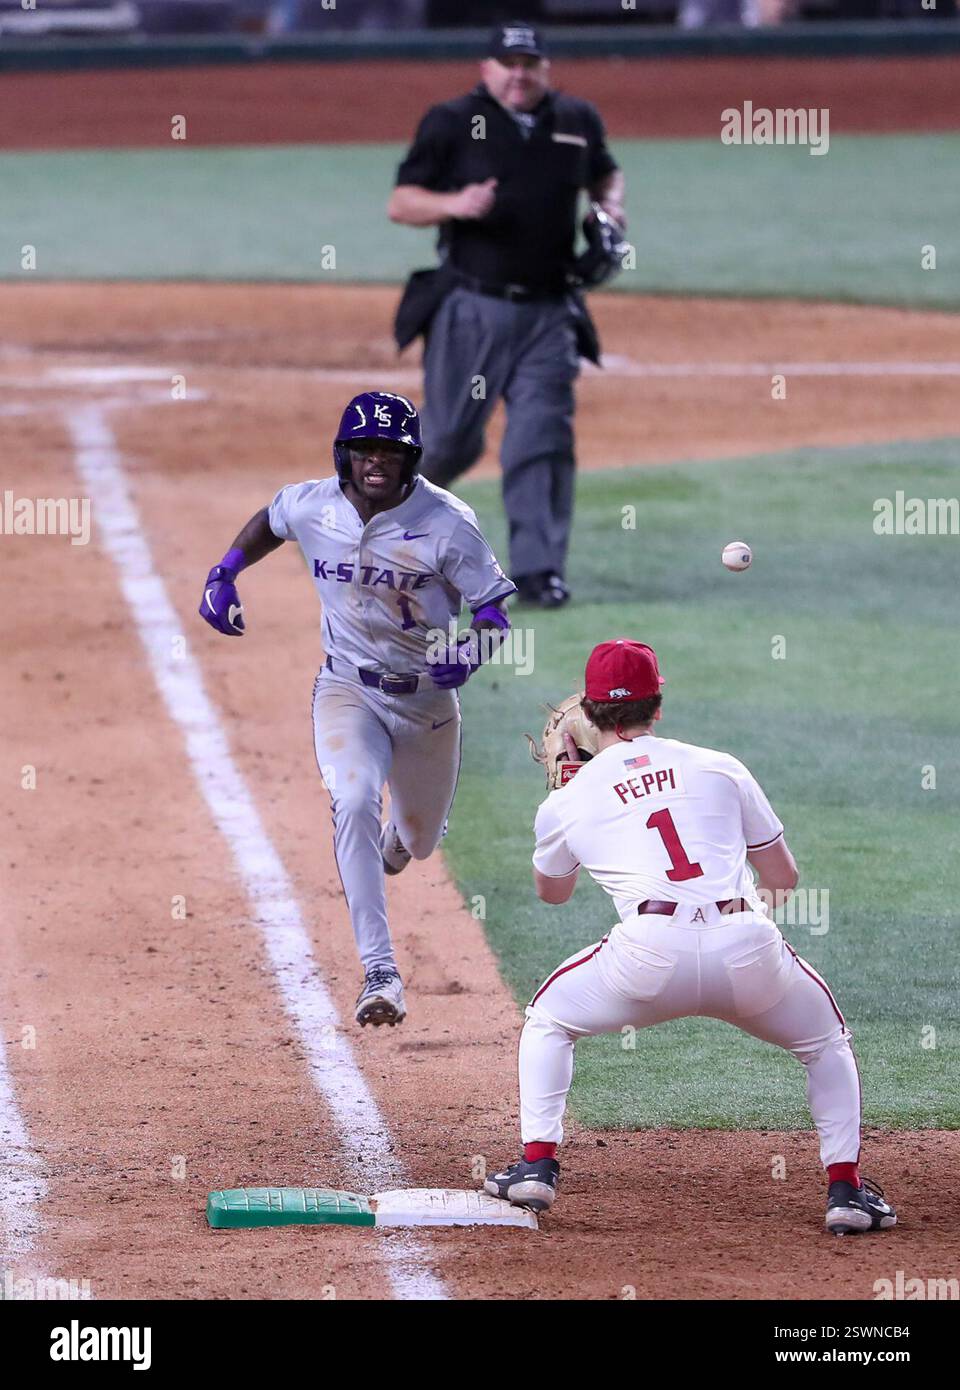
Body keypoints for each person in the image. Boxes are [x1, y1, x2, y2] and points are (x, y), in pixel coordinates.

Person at [485, 638, 898, 1236]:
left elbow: (553, 894)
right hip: (748, 951)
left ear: (591, 712)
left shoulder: (570, 799)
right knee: (826, 1042)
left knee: (550, 1018)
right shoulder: (721, 765)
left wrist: (568, 797)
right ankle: (845, 1194)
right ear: (658, 704)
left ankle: (536, 1168)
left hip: (647, 959)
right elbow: (783, 878)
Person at [198, 391, 515, 1027]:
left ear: (410, 459)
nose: (379, 461)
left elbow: (493, 610)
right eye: (367, 449)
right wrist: (225, 571)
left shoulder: (448, 523)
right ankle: (381, 971)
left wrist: (473, 653)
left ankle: (402, 839)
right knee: (351, 800)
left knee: (421, 843)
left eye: (392, 451)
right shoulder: (313, 503)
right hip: (347, 689)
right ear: (346, 454)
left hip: (427, 701)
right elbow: (270, 519)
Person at [388, 20, 625, 609]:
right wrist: (456, 204)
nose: (519, 75)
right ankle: (375, 532)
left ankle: (539, 571)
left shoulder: (575, 120)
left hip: (549, 312)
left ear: (546, 69)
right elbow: (402, 202)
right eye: (508, 64)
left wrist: (610, 210)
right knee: (447, 440)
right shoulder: (450, 122)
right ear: (487, 68)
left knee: (540, 439)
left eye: (530, 64)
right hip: (473, 310)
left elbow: (606, 173)